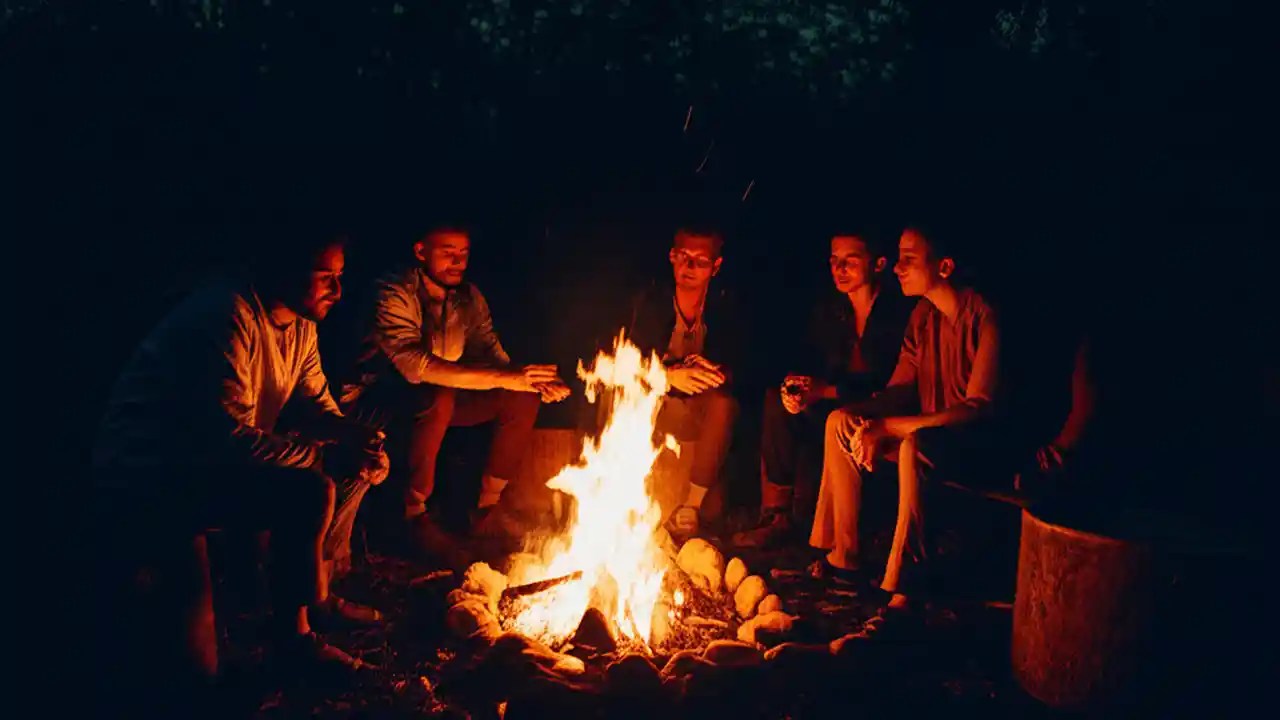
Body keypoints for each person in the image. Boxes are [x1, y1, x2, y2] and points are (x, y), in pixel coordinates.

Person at [93, 227, 389, 685]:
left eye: (340, 276)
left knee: (316, 486)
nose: (338, 289)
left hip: (206, 466)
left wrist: (355, 438)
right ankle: (274, 632)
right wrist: (324, 455)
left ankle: (298, 632)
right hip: (149, 474)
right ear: (283, 268)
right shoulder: (226, 315)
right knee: (193, 677)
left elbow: (312, 402)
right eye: (324, 276)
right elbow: (225, 438)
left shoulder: (301, 325)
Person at [809, 225, 1005, 615]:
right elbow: (900, 388)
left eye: (908, 260)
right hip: (929, 436)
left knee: (916, 446)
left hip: (979, 447)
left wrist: (892, 427)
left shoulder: (986, 318)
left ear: (945, 266)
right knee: (839, 422)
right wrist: (865, 417)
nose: (896, 268)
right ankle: (844, 558)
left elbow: (978, 407)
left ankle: (905, 589)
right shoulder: (923, 315)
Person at [341, 225, 569, 547]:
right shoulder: (394, 292)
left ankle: (487, 510)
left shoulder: (468, 297)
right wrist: (510, 377)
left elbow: (494, 358)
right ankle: (413, 514)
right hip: (376, 403)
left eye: (463, 253)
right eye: (447, 251)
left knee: (519, 396)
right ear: (421, 251)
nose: (458, 261)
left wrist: (531, 382)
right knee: (438, 393)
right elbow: (415, 367)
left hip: (436, 403)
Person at [733, 233, 916, 548]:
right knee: (776, 403)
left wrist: (827, 390)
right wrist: (797, 386)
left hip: (875, 409)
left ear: (879, 264)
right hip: (832, 402)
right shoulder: (830, 309)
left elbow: (889, 382)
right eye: (834, 260)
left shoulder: (897, 314)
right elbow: (810, 356)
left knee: (837, 416)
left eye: (850, 261)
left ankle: (849, 536)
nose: (839, 268)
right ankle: (776, 514)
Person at [624, 226, 746, 539]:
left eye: (700, 261)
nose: (689, 268)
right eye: (683, 257)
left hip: (698, 407)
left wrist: (715, 371)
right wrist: (666, 376)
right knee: (629, 394)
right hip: (655, 404)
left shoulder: (724, 305)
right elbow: (623, 365)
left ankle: (690, 507)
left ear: (716, 267)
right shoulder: (651, 301)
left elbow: (740, 367)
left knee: (724, 404)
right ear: (672, 257)